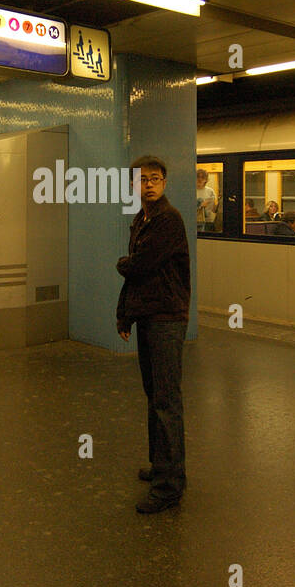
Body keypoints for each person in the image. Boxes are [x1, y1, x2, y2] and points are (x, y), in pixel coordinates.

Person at [116, 155, 189, 514]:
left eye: (155, 178)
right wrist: (124, 315)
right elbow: (137, 275)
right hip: (149, 314)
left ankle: (169, 487)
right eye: (142, 179)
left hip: (167, 318)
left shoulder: (168, 220)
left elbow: (139, 265)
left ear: (164, 183)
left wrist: (122, 264)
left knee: (166, 401)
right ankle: (161, 466)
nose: (148, 184)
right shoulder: (141, 220)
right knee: (154, 397)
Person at [195, 168, 218, 232]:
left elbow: (214, 208)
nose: (200, 179)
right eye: (198, 177)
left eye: (202, 177)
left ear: (206, 180)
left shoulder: (210, 191)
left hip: (208, 221)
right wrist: (200, 205)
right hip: (194, 221)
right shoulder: (190, 190)